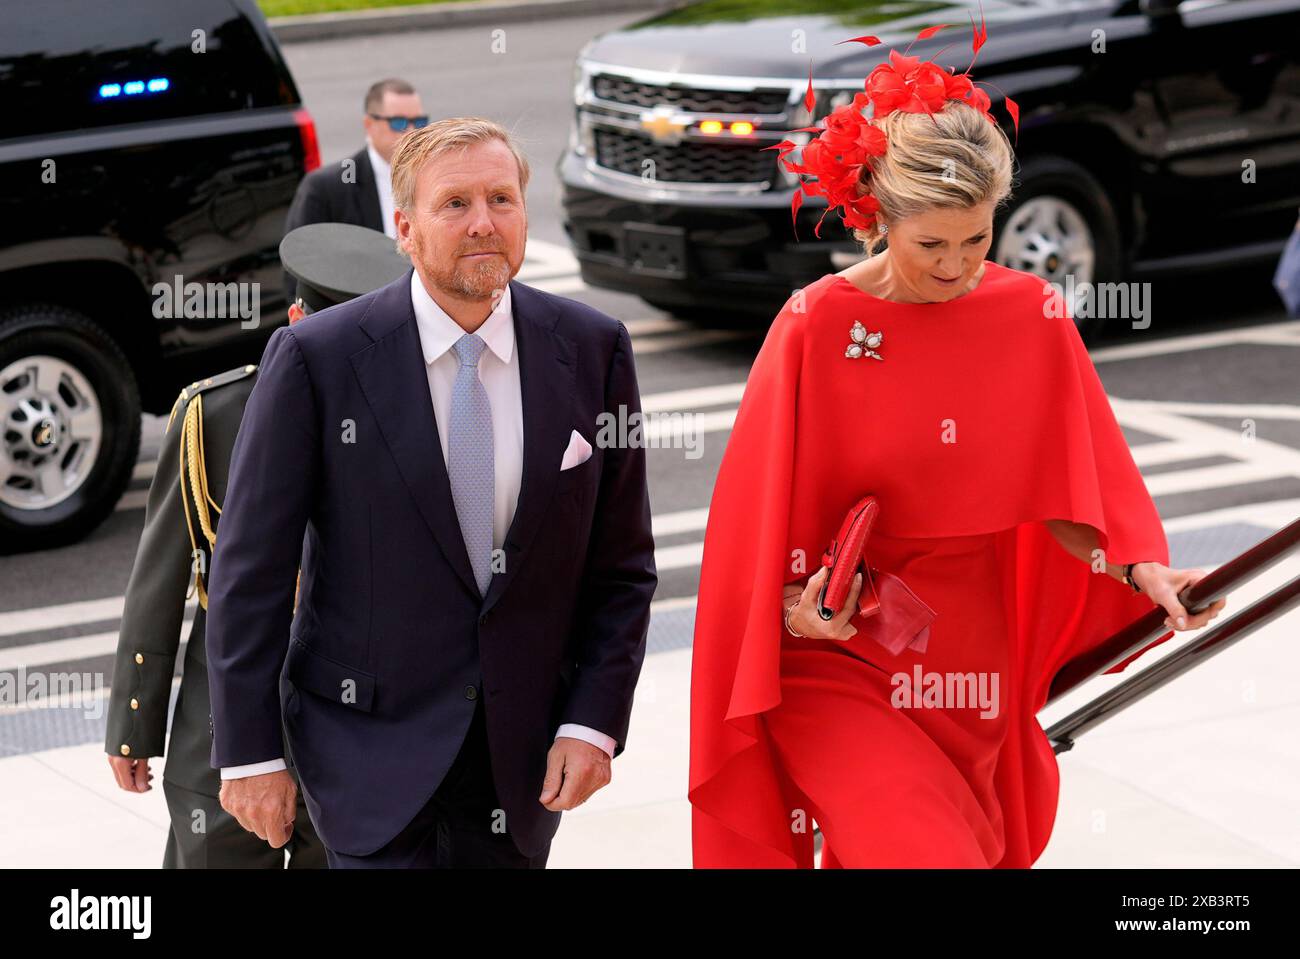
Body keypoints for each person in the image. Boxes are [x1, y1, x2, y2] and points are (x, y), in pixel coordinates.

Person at [687, 20, 1229, 869]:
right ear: (878, 218)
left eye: (976, 240)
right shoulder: (816, 325)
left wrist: (1143, 570)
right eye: (929, 244)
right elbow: (755, 541)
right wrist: (799, 607)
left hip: (969, 662)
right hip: (838, 661)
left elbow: (1076, 491)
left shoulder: (1029, 314)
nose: (956, 267)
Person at [206, 117, 657, 868]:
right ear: (405, 228)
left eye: (502, 199)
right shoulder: (318, 358)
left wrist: (593, 721)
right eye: (455, 204)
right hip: (365, 754)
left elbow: (622, 567)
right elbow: (250, 570)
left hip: (523, 765)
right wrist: (249, 755)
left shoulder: (593, 347)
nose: (484, 223)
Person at [100, 222, 403, 867]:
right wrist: (134, 725)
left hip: (355, 740)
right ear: (295, 318)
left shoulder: (414, 421)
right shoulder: (212, 413)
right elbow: (160, 583)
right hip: (222, 736)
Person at [281, 78, 427, 300]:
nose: (411, 132)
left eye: (419, 122)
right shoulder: (326, 188)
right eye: (398, 123)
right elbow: (299, 271)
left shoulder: (434, 180)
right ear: (369, 124)